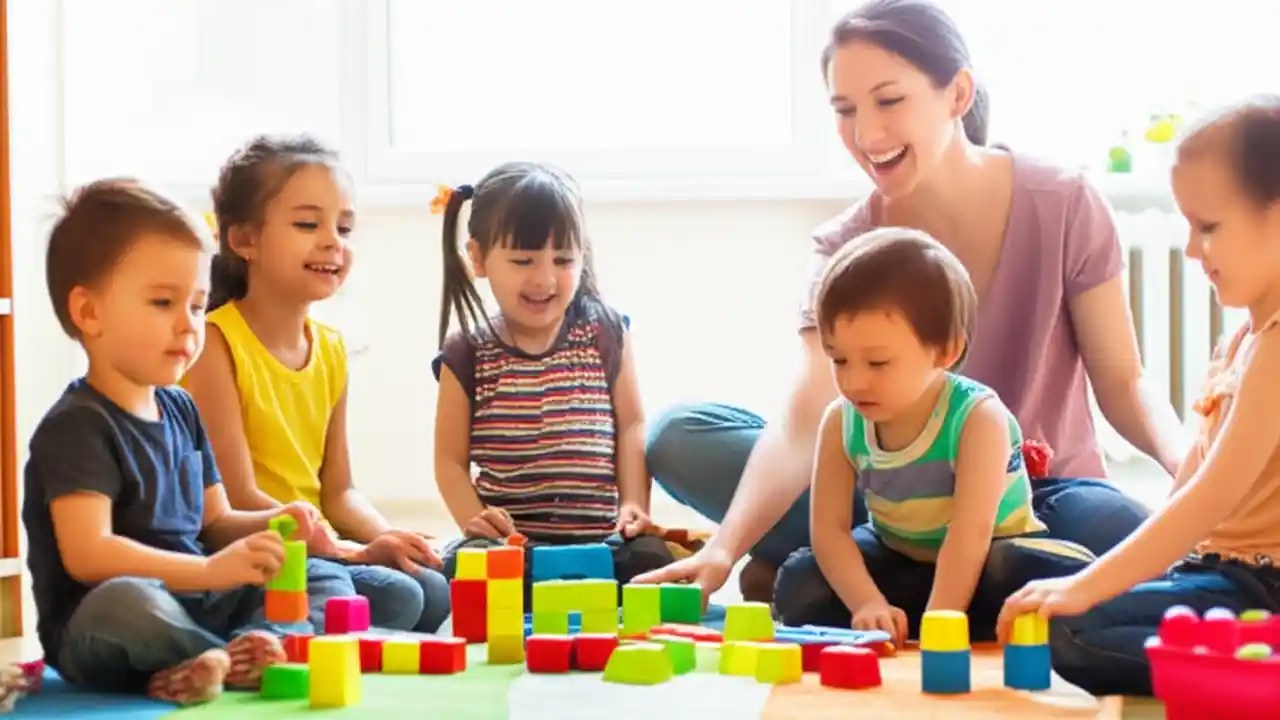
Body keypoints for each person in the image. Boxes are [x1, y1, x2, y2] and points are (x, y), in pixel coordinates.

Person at [636, 0, 1186, 603]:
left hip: (1033, 500)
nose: (866, 134)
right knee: (679, 436)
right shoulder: (844, 248)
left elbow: (1123, 380)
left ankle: (869, 579)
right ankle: (889, 572)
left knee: (1131, 539)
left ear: (958, 94)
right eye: (845, 110)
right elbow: (806, 420)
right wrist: (722, 549)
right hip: (895, 505)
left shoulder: (1064, 202)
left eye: (889, 101)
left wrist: (1187, 463)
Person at [998, 96, 1280, 697]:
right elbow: (1190, 483)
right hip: (1214, 575)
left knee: (1071, 626)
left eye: (1209, 227)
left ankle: (1256, 668)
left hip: (1261, 590)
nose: (1193, 249)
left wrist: (1089, 587)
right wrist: (1115, 575)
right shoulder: (1241, 342)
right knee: (1048, 596)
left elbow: (1214, 493)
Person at [24, 179, 339, 704]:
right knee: (126, 604)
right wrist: (210, 570)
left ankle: (236, 652)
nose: (188, 326)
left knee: (321, 575)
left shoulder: (181, 408)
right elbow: (89, 555)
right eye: (163, 303)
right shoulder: (76, 426)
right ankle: (237, 654)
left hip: (199, 596)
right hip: (104, 622)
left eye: (196, 306)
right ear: (89, 313)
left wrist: (272, 525)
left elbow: (215, 522)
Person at [181, 135, 448, 633]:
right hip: (259, 549)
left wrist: (393, 538)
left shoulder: (330, 349)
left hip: (321, 547)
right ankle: (258, 640)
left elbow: (340, 492)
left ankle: (340, 627)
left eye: (343, 228)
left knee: (432, 586)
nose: (332, 242)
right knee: (399, 598)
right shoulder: (214, 344)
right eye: (308, 224)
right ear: (244, 240)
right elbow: (238, 497)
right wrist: (350, 550)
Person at [776, 227, 1093, 643]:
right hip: (898, 555)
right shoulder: (840, 420)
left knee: (1027, 575)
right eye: (839, 360)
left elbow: (970, 535)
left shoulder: (978, 417)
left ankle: (960, 614)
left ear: (945, 351)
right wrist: (867, 603)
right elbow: (829, 532)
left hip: (989, 555)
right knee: (800, 582)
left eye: (878, 363)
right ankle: (911, 616)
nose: (854, 382)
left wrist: (940, 622)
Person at [431, 162, 674, 596]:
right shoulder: (466, 351)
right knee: (462, 566)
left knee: (651, 558)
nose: (544, 278)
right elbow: (449, 460)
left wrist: (634, 504)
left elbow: (632, 425)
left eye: (563, 260)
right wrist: (476, 520)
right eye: (523, 260)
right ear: (478, 258)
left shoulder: (606, 332)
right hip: (515, 549)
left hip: (600, 544)